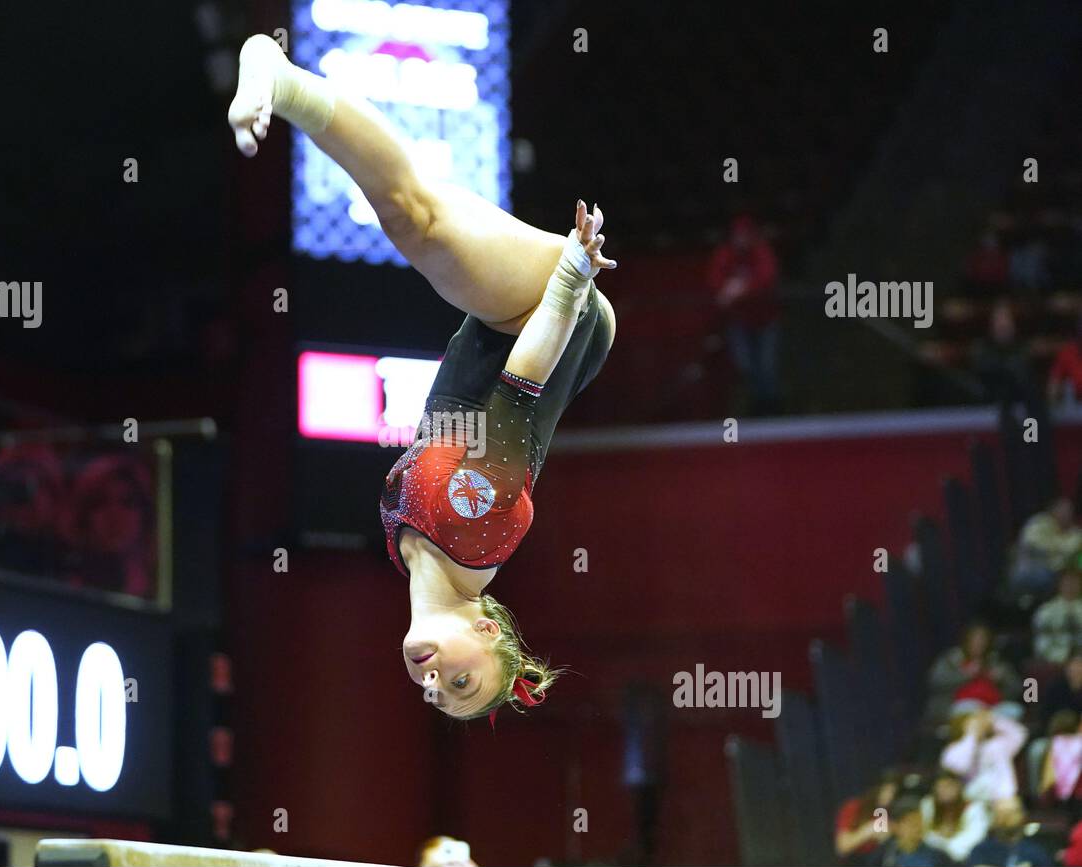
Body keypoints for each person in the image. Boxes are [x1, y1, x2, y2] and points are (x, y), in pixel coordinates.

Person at [229, 36, 617, 721]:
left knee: (421, 213)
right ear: (486, 628)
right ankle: (280, 79)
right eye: (462, 683)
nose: (434, 684)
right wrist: (570, 280)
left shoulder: (412, 556)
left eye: (437, 698)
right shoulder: (473, 531)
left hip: (518, 326)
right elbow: (520, 385)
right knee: (417, 220)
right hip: (544, 319)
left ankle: (288, 84)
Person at [706, 215, 781, 415]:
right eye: (738, 235)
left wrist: (741, 289)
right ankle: (755, 405)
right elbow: (715, 281)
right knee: (744, 364)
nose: (741, 239)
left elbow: (767, 277)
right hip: (739, 321)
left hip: (766, 320)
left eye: (745, 235)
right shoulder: (725, 254)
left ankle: (771, 407)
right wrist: (727, 289)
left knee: (766, 365)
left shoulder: (761, 250)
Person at [926, 620, 1020, 724]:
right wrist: (965, 675)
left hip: (992, 707)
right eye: (975, 639)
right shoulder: (951, 660)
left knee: (1014, 710)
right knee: (970, 712)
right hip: (961, 707)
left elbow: (1016, 688)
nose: (979, 643)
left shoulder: (995, 662)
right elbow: (935, 681)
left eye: (982, 639)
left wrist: (1002, 679)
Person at [940, 704, 1028, 802]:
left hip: (1000, 799)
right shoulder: (953, 749)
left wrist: (993, 720)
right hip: (970, 800)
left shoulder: (996, 744)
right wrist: (972, 735)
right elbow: (959, 767)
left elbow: (1020, 734)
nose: (978, 726)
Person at [1011, 496, 1082, 596]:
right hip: (1032, 570)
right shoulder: (1038, 524)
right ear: (1053, 510)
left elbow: (1077, 556)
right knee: (1049, 576)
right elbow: (1040, 548)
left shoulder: (1075, 533)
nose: (1067, 514)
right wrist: (1066, 551)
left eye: (1070, 511)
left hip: (1061, 574)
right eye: (1063, 510)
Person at [970, 299, 1034, 405]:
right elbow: (983, 376)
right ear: (990, 324)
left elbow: (1023, 377)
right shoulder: (980, 348)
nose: (1003, 324)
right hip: (986, 402)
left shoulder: (1023, 347)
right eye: (998, 320)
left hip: (1019, 400)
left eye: (1007, 319)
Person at [920, 770, 991, 863]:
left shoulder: (974, 809)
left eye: (948, 786)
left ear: (959, 787)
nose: (944, 790)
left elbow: (974, 839)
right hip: (930, 858)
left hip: (963, 861)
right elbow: (924, 835)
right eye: (940, 786)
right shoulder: (928, 805)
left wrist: (944, 847)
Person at [967, 796, 1055, 866]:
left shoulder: (1036, 849)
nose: (1007, 818)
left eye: (1012, 812)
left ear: (1023, 815)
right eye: (1002, 813)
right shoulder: (981, 850)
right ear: (994, 818)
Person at [835, 770, 901, 862]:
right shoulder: (854, 807)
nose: (890, 797)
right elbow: (843, 847)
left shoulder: (885, 810)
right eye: (887, 791)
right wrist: (869, 830)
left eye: (892, 792)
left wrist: (892, 830)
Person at [875, 798, 951, 867]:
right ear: (896, 826)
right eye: (912, 823)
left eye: (920, 822)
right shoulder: (884, 855)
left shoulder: (937, 856)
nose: (918, 827)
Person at [1038, 710, 1082, 821]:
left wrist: (1044, 792)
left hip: (1065, 796)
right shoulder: (1063, 743)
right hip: (1074, 795)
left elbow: (1049, 775)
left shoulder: (1056, 743)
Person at [1032, 569, 1082, 664]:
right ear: (1059, 584)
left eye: (1075, 582)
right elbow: (1041, 642)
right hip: (1054, 661)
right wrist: (1060, 658)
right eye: (1067, 582)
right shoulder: (1046, 611)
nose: (1071, 586)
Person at [1041, 654, 1082, 729]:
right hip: (1056, 729)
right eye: (1074, 665)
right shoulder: (1056, 686)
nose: (1077, 670)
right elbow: (1045, 713)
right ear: (1067, 667)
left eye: (1080, 666)